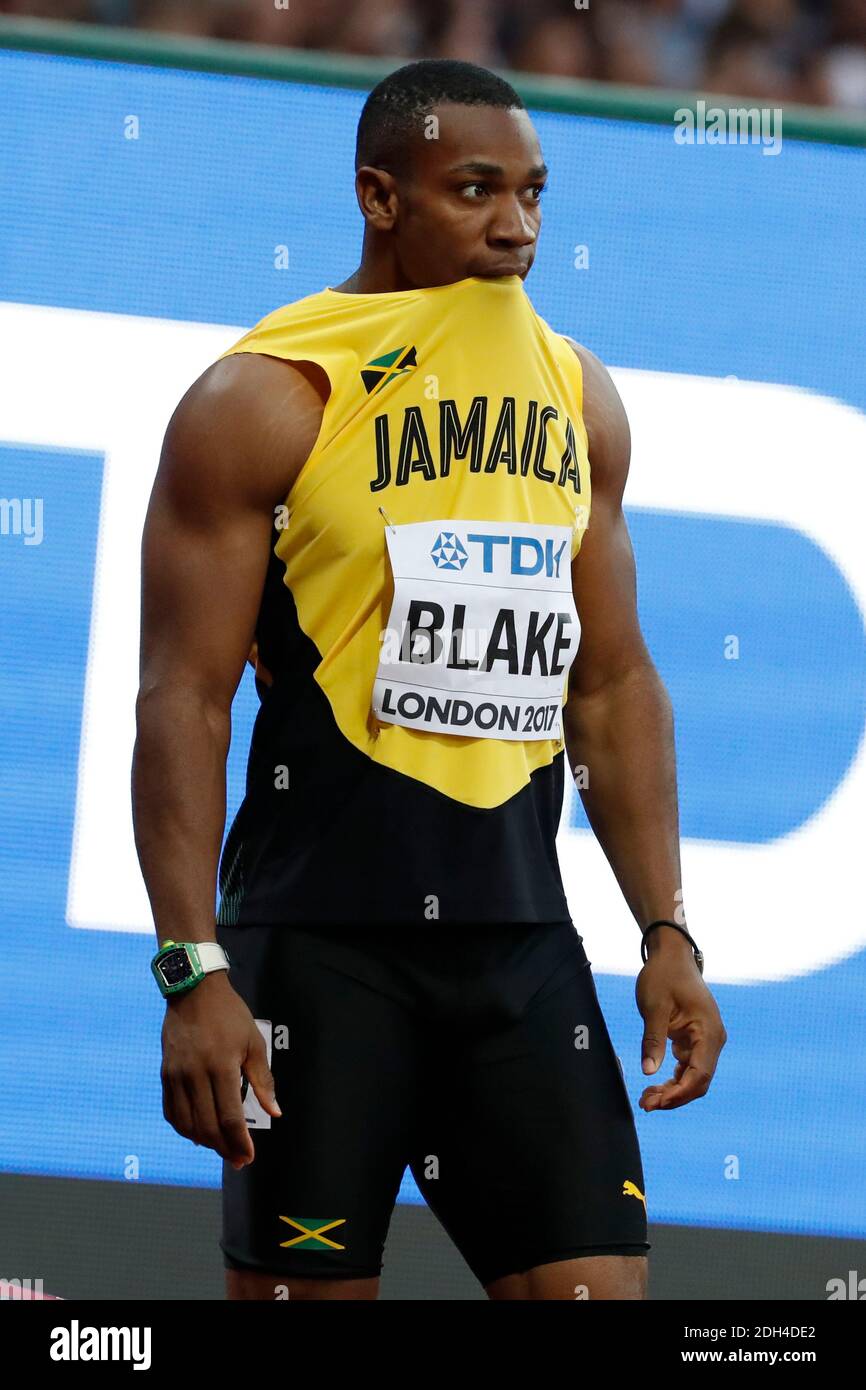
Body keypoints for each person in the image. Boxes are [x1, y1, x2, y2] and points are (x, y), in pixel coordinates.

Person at [132, 58, 727, 1302]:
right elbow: (181, 698)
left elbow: (610, 686)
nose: (515, 227)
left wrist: (665, 927)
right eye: (474, 190)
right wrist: (195, 970)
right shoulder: (266, 396)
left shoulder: (577, 396)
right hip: (319, 952)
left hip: (518, 945)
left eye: (532, 194)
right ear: (379, 196)